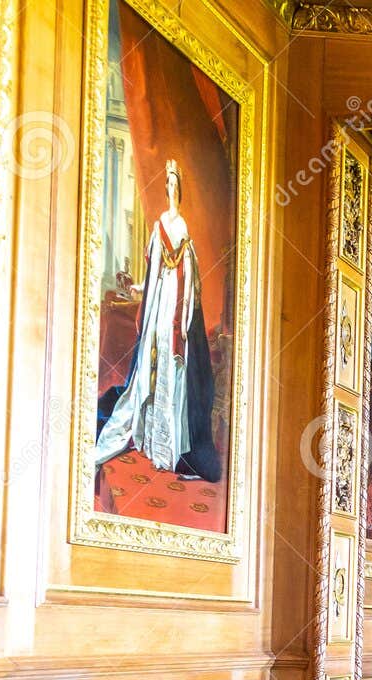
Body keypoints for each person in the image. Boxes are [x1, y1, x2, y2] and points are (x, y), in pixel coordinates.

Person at [95, 159, 221, 482]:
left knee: (170, 363)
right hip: (160, 300)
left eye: (176, 185)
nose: (172, 190)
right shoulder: (160, 224)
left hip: (175, 302)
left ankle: (167, 445)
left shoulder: (183, 228)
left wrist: (185, 313)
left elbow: (189, 276)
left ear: (181, 190)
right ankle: (149, 437)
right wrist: (141, 287)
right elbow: (154, 270)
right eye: (169, 185)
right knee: (152, 360)